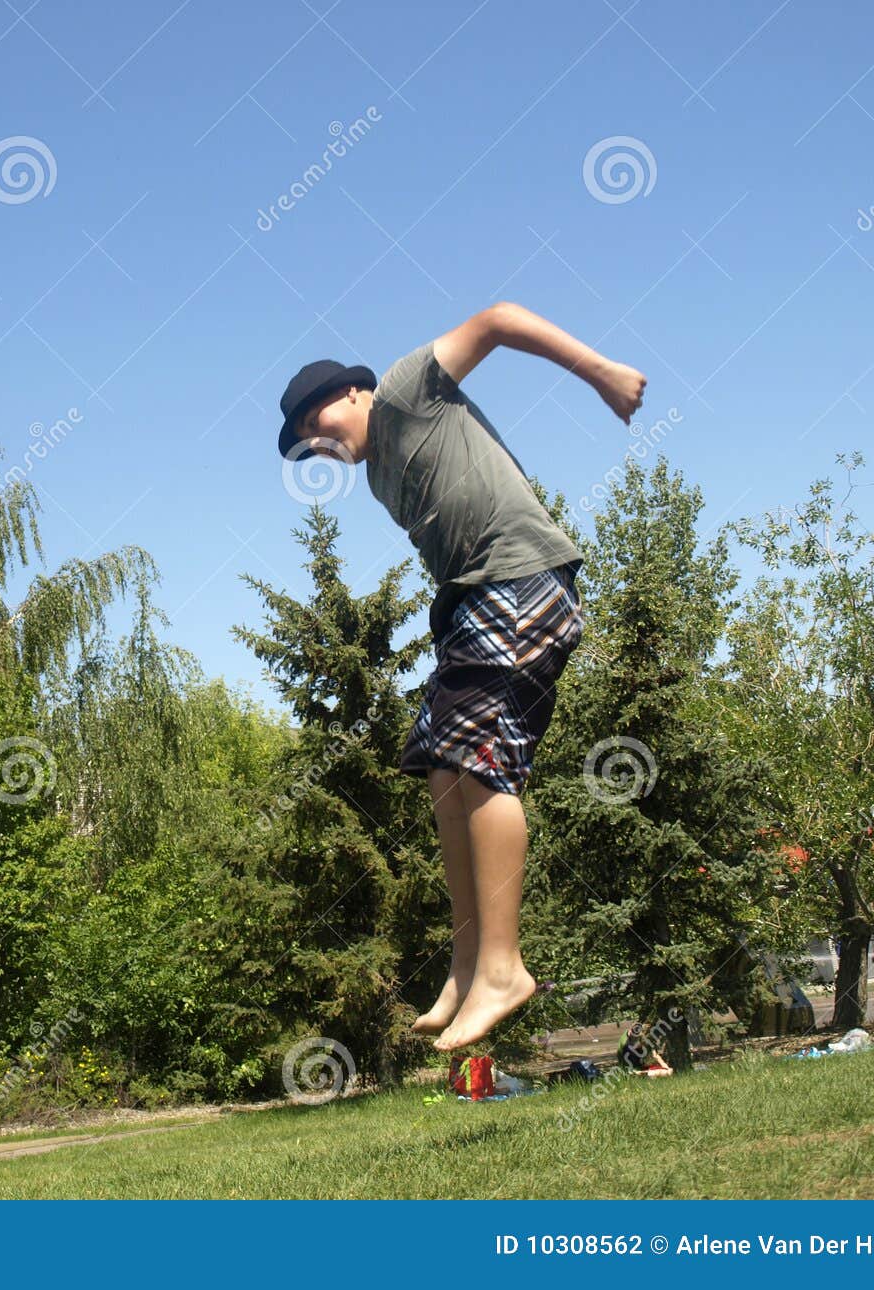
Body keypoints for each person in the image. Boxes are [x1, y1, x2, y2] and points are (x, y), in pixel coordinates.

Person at [274, 302, 647, 1051]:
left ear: (354, 392)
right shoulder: (379, 477)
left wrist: (602, 373)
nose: (320, 446)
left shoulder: (407, 389)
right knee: (444, 773)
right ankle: (471, 959)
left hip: (522, 581)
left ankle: (504, 968)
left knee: (480, 763)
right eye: (309, 446)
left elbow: (499, 319)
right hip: (475, 603)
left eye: (319, 424)